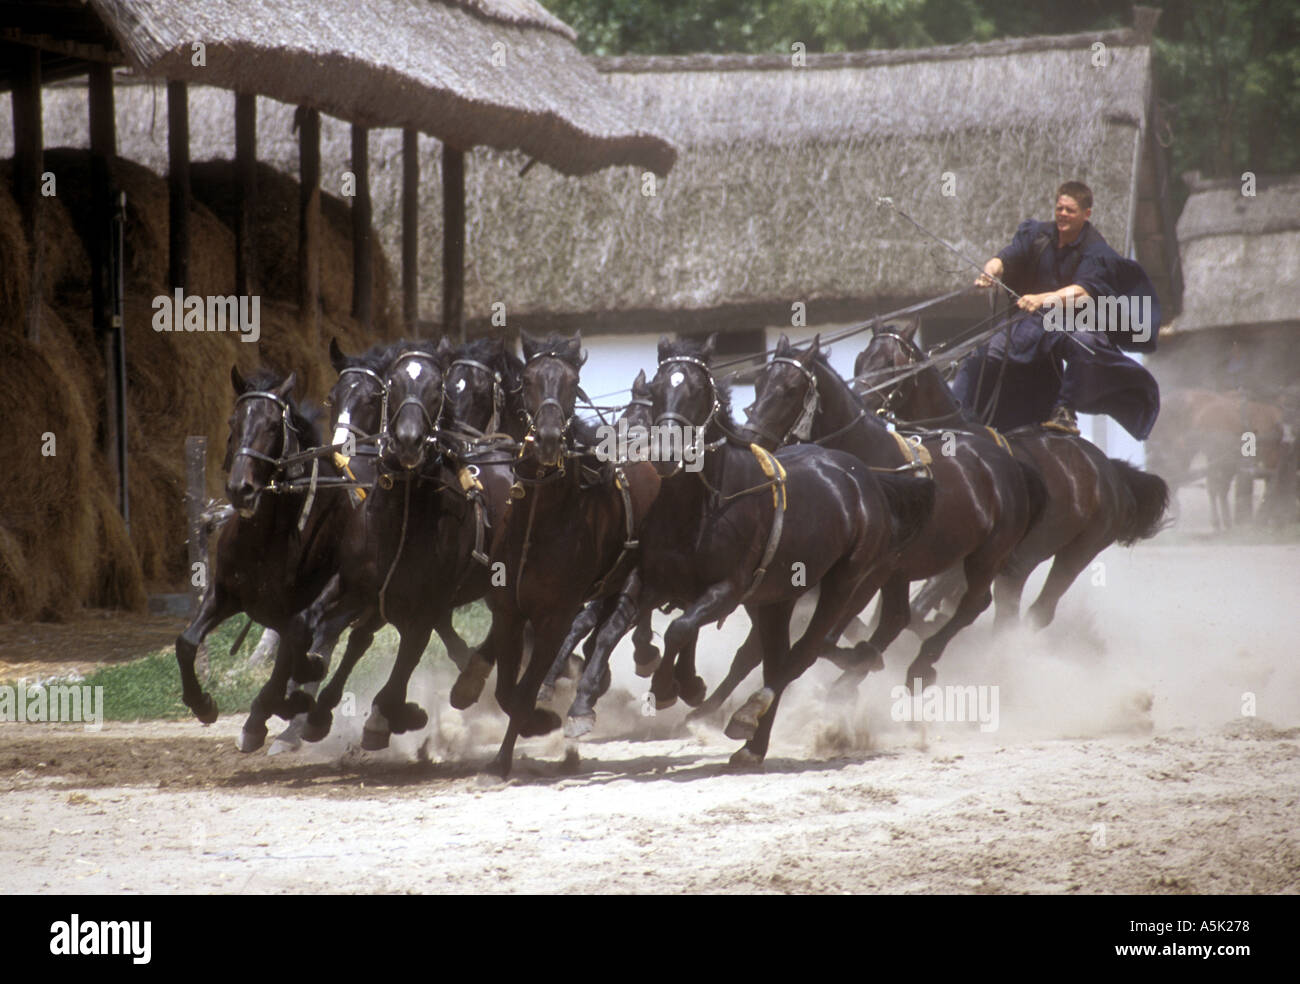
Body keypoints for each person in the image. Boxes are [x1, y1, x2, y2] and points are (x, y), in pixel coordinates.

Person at [951, 180, 1161, 439]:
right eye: (1059, 208)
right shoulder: (1037, 235)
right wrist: (991, 269)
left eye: (1070, 211)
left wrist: (1042, 299)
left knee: (1084, 342)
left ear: (1086, 214)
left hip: (1076, 320)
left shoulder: (1096, 249)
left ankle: (1064, 411)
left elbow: (1082, 292)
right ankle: (956, 416)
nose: (1062, 214)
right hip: (1035, 323)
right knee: (980, 355)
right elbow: (1008, 256)